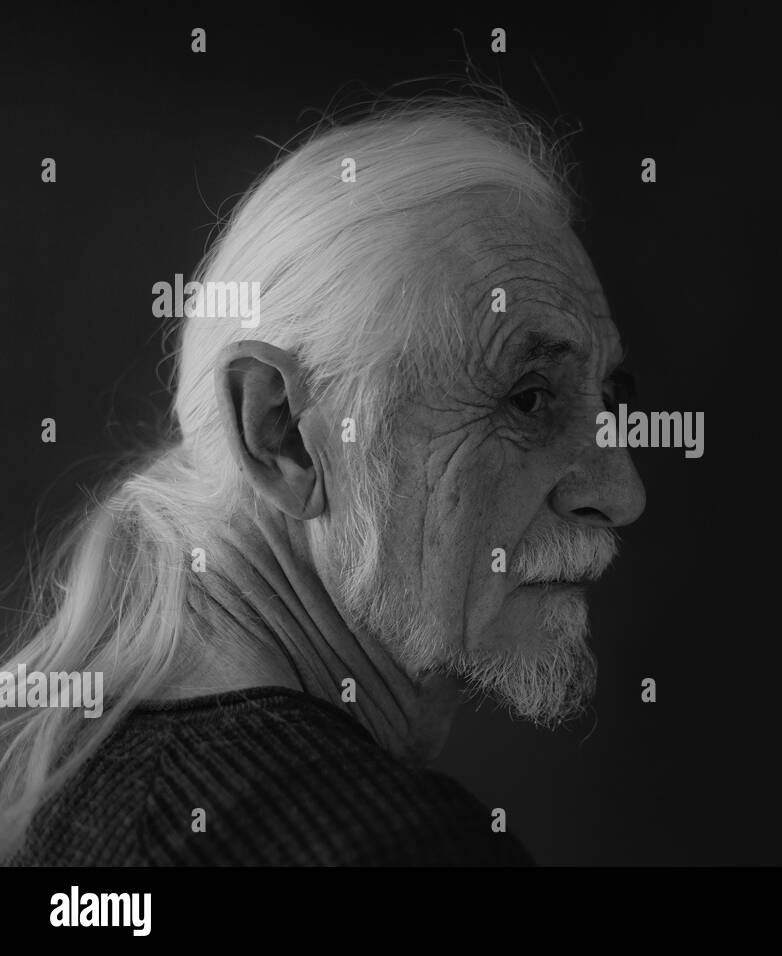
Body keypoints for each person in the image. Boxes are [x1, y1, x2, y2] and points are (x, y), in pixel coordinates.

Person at [0, 95, 645, 865]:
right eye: (528, 398)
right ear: (281, 437)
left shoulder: (82, 786)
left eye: (611, 402)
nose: (620, 491)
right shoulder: (384, 846)